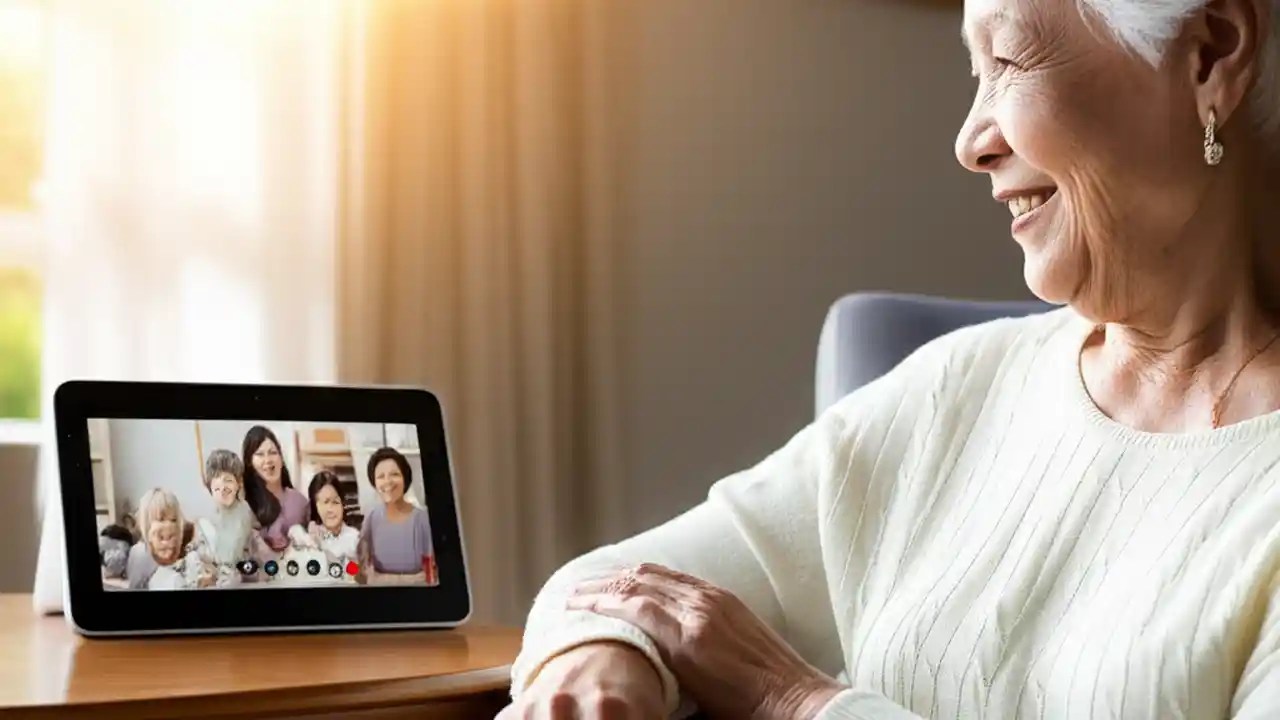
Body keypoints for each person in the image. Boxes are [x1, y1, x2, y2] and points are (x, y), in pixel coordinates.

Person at [502, 0, 1280, 717]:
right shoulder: (961, 386)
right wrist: (605, 658)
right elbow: (611, 584)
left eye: (1008, 64)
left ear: (1211, 52)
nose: (972, 142)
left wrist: (795, 700)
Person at [356, 447, 437, 586]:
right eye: (380, 476)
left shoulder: (423, 519)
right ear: (374, 483)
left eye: (394, 474)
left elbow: (433, 576)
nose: (387, 481)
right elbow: (357, 568)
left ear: (405, 478)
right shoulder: (372, 518)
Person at [186, 449, 258, 587]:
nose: (223, 487)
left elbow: (233, 554)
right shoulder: (204, 511)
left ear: (239, 484)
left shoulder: (243, 511)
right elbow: (198, 547)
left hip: (234, 573)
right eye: (217, 481)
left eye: (228, 480)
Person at [241, 425, 308, 558]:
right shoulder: (246, 504)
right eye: (260, 454)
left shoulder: (299, 501)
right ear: (250, 462)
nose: (268, 460)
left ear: (281, 458)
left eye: (273, 452)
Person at [305, 470, 360, 579]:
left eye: (335, 502)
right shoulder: (311, 538)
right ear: (315, 507)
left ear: (342, 503)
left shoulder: (355, 538)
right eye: (325, 503)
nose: (330, 509)